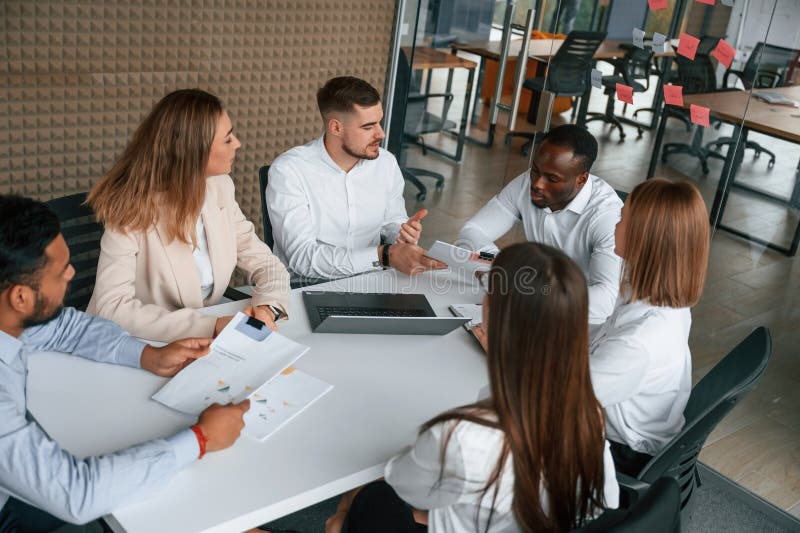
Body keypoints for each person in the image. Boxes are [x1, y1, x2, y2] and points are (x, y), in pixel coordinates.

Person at [326, 243, 619, 532]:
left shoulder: (462, 436)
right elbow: (602, 502)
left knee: (360, 496)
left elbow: (403, 486)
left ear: (493, 310)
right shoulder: (588, 411)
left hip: (449, 510)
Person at [0, 195, 249, 531]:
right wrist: (201, 439)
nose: (73, 273)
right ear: (20, 297)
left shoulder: (11, 319)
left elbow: (64, 328)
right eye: (61, 271)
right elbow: (78, 493)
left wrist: (148, 355)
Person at [87, 89, 290, 343]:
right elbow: (112, 308)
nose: (237, 143)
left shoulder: (219, 187)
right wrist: (211, 326)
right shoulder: (130, 208)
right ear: (193, 151)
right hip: (140, 344)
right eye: (227, 139)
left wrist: (267, 308)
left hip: (209, 339)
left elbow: (267, 264)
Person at [267, 76, 444, 281]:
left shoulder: (386, 163)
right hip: (305, 286)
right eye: (368, 127)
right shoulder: (290, 170)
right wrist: (384, 255)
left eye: (379, 122)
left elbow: (392, 221)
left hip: (372, 281)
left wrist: (401, 234)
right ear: (336, 128)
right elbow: (303, 259)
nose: (381, 134)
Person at [589, 178, 710, 476]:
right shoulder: (660, 299)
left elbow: (558, 399)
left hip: (618, 453)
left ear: (645, 239)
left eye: (622, 218)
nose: (614, 226)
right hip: (617, 418)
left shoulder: (641, 340)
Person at [458, 124, 622, 324]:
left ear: (582, 179)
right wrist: (502, 268)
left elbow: (606, 300)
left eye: (552, 178)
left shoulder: (606, 218)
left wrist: (535, 296)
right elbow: (473, 230)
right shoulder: (527, 182)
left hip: (582, 321)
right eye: (535, 170)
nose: (537, 183)